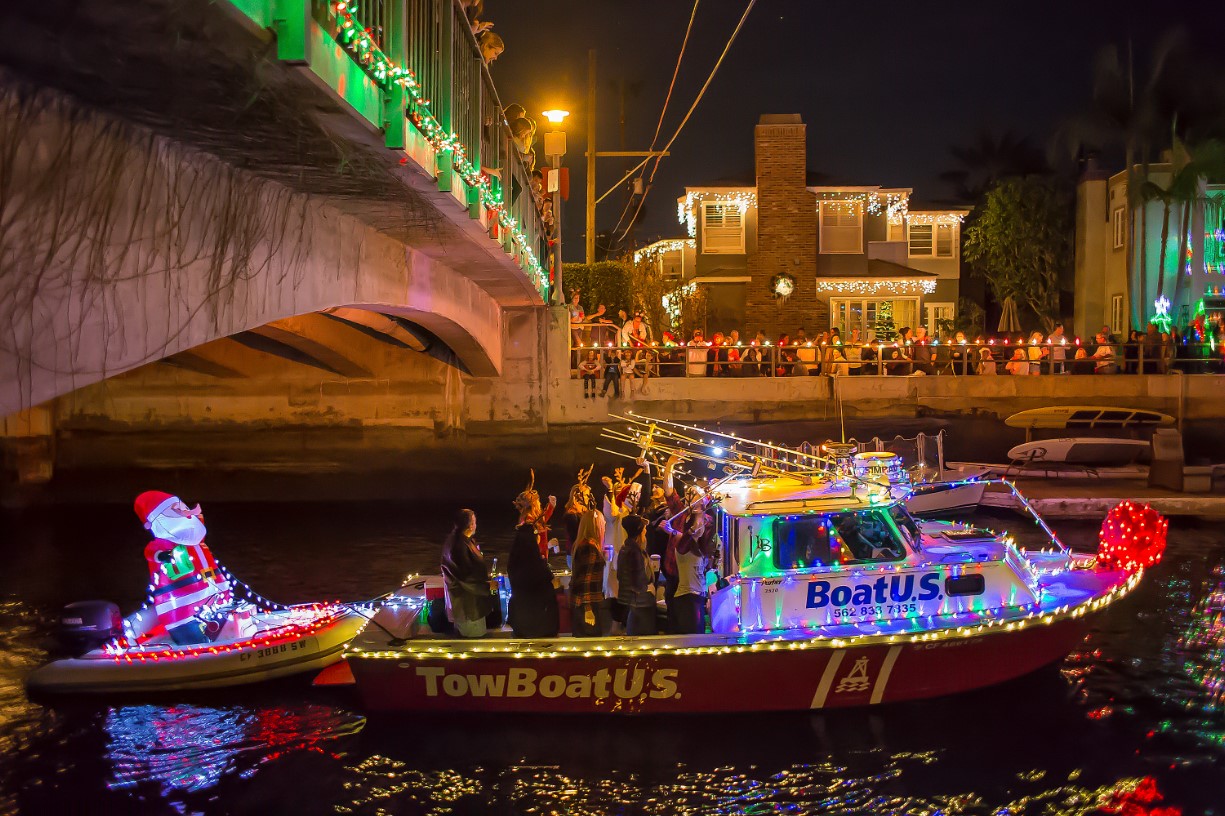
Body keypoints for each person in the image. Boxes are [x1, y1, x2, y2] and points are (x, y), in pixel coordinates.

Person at [134, 491, 233, 646]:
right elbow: (151, 552)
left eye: (182, 508)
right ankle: (200, 652)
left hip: (215, 600)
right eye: (173, 511)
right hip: (181, 612)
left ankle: (222, 639)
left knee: (226, 626)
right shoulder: (165, 544)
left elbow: (196, 524)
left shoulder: (196, 537)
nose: (184, 514)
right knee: (195, 640)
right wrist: (161, 556)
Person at [661, 454, 715, 634]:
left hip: (691, 581)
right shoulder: (680, 512)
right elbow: (669, 492)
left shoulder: (705, 521)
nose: (689, 496)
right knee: (672, 619)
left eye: (694, 495)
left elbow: (689, 544)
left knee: (690, 625)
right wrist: (669, 466)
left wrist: (673, 532)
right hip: (672, 573)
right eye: (689, 494)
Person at [507, 474, 559, 638]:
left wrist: (551, 507)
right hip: (534, 567)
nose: (539, 503)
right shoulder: (528, 523)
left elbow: (542, 521)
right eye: (537, 501)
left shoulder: (532, 519)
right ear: (532, 504)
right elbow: (530, 546)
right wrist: (548, 546)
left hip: (538, 563)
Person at [441, 509, 495, 638]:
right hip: (468, 607)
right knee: (475, 640)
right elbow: (465, 579)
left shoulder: (462, 540)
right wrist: (488, 586)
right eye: (474, 522)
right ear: (470, 525)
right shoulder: (459, 546)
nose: (476, 525)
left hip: (468, 602)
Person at [569, 508, 609, 637]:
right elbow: (585, 580)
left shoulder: (581, 544)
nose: (604, 526)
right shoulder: (590, 547)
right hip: (588, 603)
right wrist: (588, 608)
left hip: (583, 602)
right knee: (590, 638)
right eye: (602, 523)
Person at [617, 514, 657, 636]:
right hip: (640, 604)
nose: (646, 531)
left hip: (632, 604)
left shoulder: (626, 548)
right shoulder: (635, 552)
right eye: (644, 529)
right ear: (639, 531)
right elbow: (639, 582)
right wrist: (649, 587)